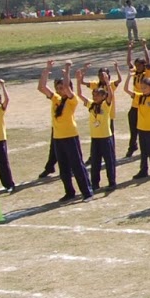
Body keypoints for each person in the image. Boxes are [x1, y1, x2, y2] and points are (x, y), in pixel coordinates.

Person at [37, 61, 92, 201]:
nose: (61, 90)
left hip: (70, 136)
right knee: (63, 168)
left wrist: (67, 70)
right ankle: (69, 192)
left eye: (62, 88)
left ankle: (87, 192)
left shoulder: (72, 100)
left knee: (77, 165)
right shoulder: (55, 99)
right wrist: (46, 70)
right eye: (58, 88)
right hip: (58, 137)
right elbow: (41, 87)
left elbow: (68, 86)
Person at [85, 71, 120, 193]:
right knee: (95, 162)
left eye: (97, 95)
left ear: (103, 96)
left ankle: (112, 182)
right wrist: (79, 81)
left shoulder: (106, 105)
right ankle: (95, 184)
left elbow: (110, 96)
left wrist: (107, 83)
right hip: (95, 138)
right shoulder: (91, 105)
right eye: (93, 95)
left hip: (106, 137)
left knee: (109, 160)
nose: (94, 97)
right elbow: (79, 95)